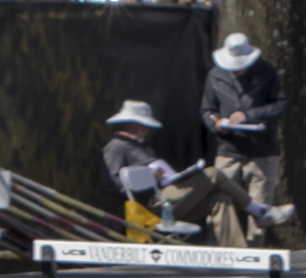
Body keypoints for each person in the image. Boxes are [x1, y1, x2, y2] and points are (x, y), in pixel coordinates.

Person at [99, 100, 293, 248]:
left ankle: (237, 253)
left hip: (169, 198)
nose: (146, 129)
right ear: (129, 125)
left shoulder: (142, 147)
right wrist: (149, 177)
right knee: (213, 174)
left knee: (220, 198)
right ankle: (258, 211)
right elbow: (110, 184)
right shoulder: (116, 148)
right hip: (152, 206)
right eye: (142, 125)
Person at [203, 32, 286, 244]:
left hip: (262, 149)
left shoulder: (267, 72)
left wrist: (249, 116)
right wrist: (216, 124)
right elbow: (206, 109)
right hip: (228, 148)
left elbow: (279, 105)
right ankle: (220, 247)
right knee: (220, 199)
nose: (237, 71)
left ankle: (254, 249)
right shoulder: (215, 75)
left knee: (260, 206)